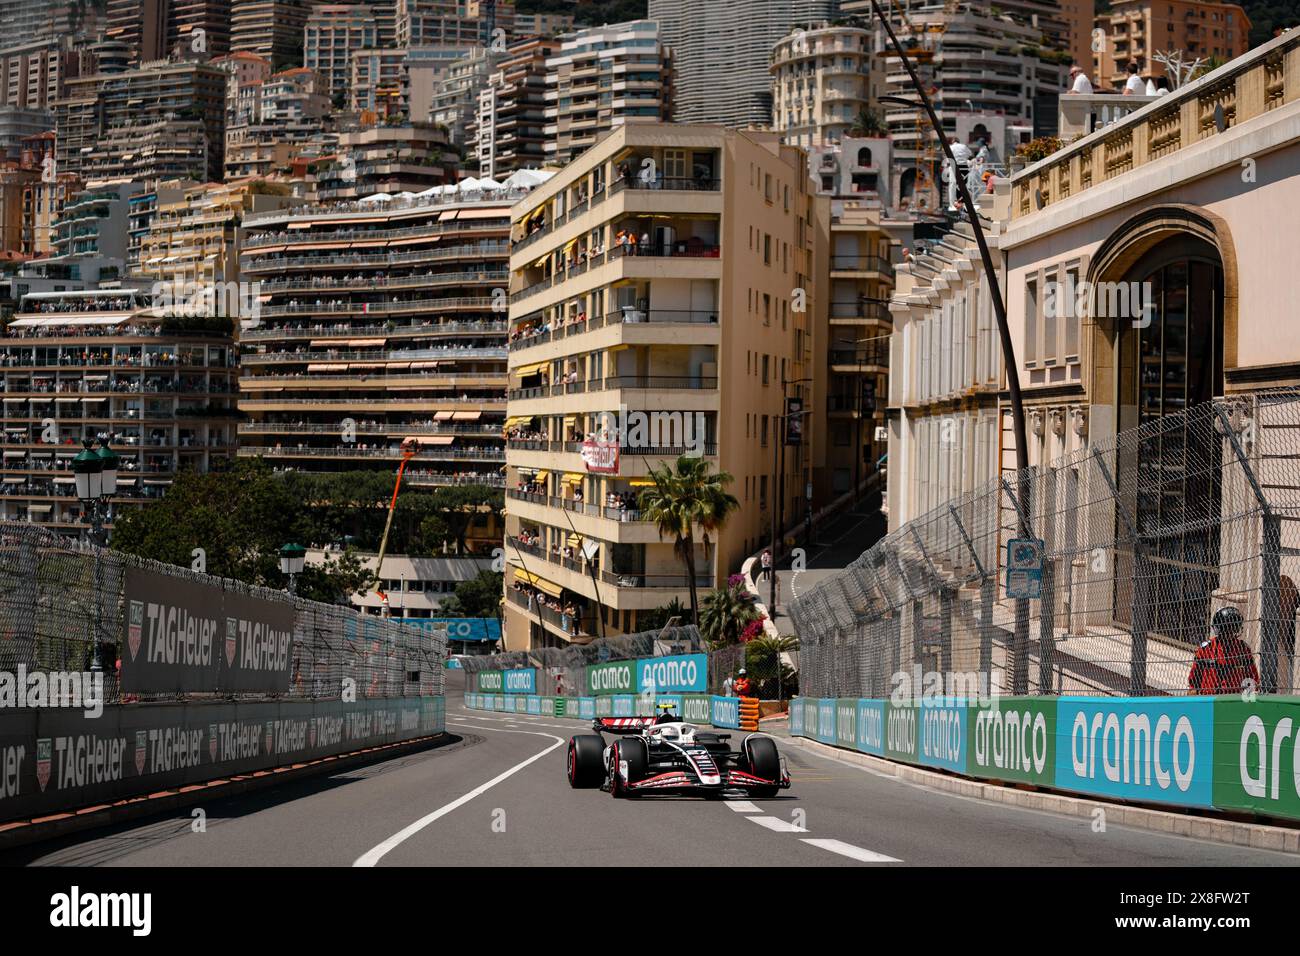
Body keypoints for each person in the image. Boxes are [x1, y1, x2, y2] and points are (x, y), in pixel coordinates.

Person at [1188, 606, 1260, 695]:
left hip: (1233, 699)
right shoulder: (1206, 649)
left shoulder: (1243, 649)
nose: (1229, 633)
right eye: (1227, 629)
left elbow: (1252, 678)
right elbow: (1194, 682)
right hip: (1209, 698)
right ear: (1220, 629)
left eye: (1232, 629)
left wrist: (1247, 699)